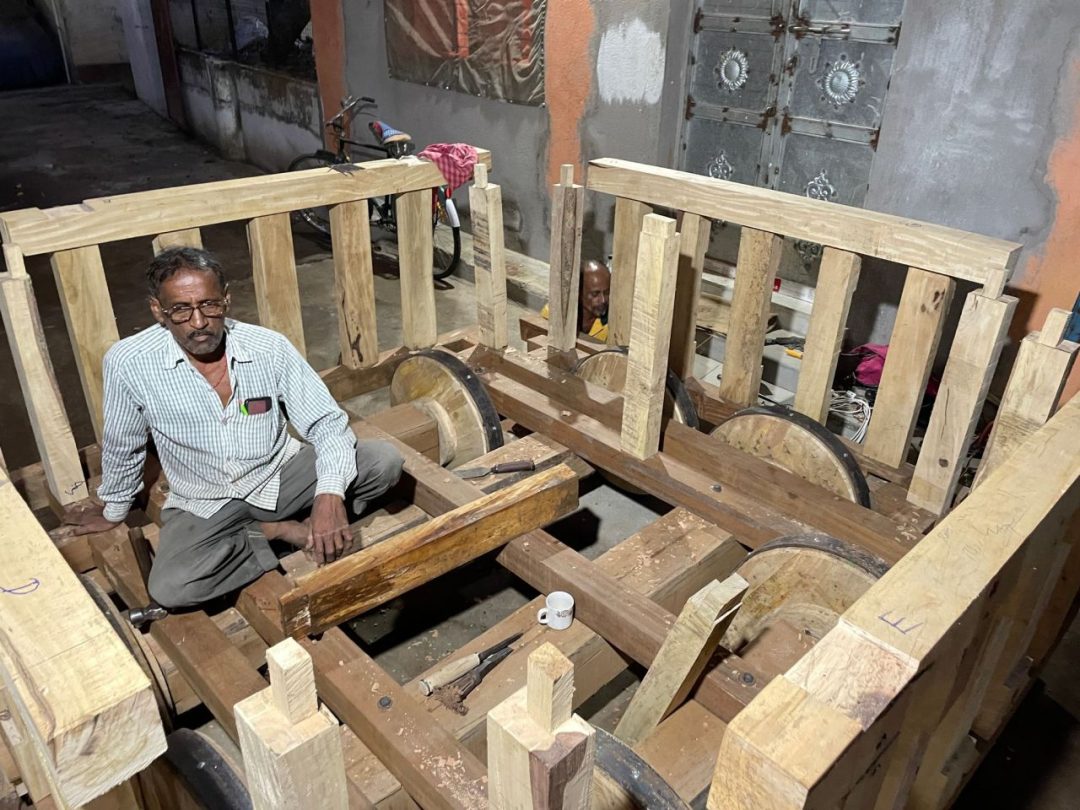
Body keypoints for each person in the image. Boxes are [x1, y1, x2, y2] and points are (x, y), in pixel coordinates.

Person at [55, 247, 403, 610]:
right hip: (204, 501)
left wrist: (329, 497)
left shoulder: (268, 348)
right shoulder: (130, 363)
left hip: (276, 477)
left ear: (227, 301)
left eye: (209, 305)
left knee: (383, 461)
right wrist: (113, 508)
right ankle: (277, 531)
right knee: (172, 587)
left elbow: (327, 423)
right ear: (158, 311)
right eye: (180, 310)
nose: (198, 322)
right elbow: (123, 443)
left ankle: (294, 526)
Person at [541, 259, 610, 341]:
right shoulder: (553, 314)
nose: (603, 300)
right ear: (578, 292)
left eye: (606, 292)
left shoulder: (612, 326)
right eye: (595, 294)